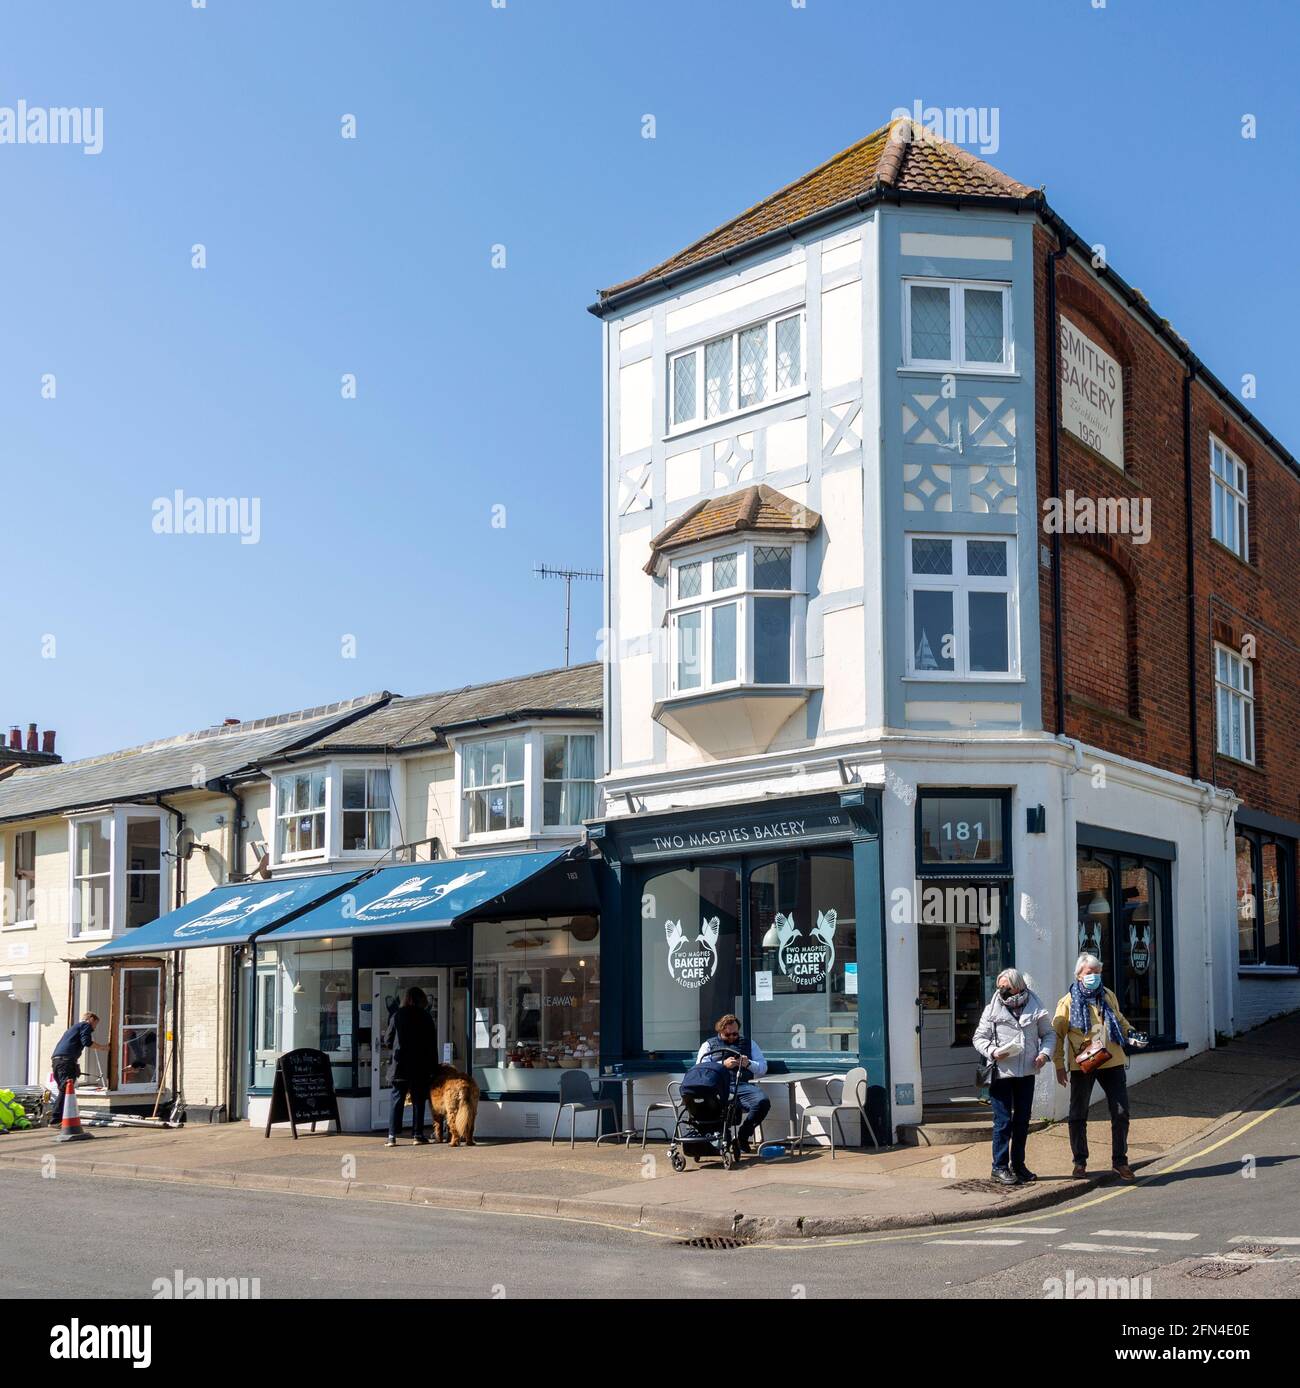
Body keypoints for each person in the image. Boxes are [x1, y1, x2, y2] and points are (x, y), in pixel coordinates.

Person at [1053, 952, 1144, 1181]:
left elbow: (1120, 1020)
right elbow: (1057, 1035)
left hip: (1112, 1060)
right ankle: (1080, 1161)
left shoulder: (1107, 995)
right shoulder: (1068, 1002)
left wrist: (1131, 1033)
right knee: (1078, 1113)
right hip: (1083, 1064)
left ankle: (1120, 1162)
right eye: (1089, 973)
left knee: (1121, 1112)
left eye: (1097, 972)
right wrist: (1058, 1066)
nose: (1093, 976)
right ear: (1079, 975)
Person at [972, 968, 1053, 1186]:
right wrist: (992, 1051)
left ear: (1018, 986)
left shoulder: (1036, 1007)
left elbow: (1049, 1035)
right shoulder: (992, 1009)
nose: (1002, 991)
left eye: (1006, 987)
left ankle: (1018, 1165)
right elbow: (979, 1038)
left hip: (1026, 1072)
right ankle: (998, 1167)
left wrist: (1044, 1054)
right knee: (1003, 1121)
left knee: (1022, 1121)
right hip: (1001, 1073)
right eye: (999, 987)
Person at [696, 1014, 770, 1154]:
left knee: (762, 1102)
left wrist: (748, 1064)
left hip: (742, 1085)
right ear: (720, 1031)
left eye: (735, 1034)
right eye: (727, 1034)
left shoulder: (749, 1043)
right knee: (718, 1110)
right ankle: (723, 1140)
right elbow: (700, 1069)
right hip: (718, 1088)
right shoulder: (708, 1045)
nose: (731, 1037)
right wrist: (722, 1065)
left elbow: (762, 1068)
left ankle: (743, 1137)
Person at [384, 987, 436, 1147]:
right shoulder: (426, 1017)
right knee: (418, 1100)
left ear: (407, 999)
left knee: (396, 1099)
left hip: (400, 1066)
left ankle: (392, 1136)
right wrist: (434, 1067)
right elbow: (431, 1045)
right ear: (421, 1000)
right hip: (420, 1066)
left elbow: (387, 1040)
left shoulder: (397, 1015)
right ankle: (417, 1134)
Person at [49, 1012, 109, 1127]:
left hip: (57, 1061)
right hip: (66, 1061)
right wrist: (103, 1048)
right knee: (66, 1088)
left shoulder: (73, 1028)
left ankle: (58, 1118)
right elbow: (86, 1042)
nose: (94, 1028)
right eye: (95, 1024)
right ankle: (56, 1119)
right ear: (91, 1019)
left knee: (64, 1089)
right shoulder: (85, 1025)